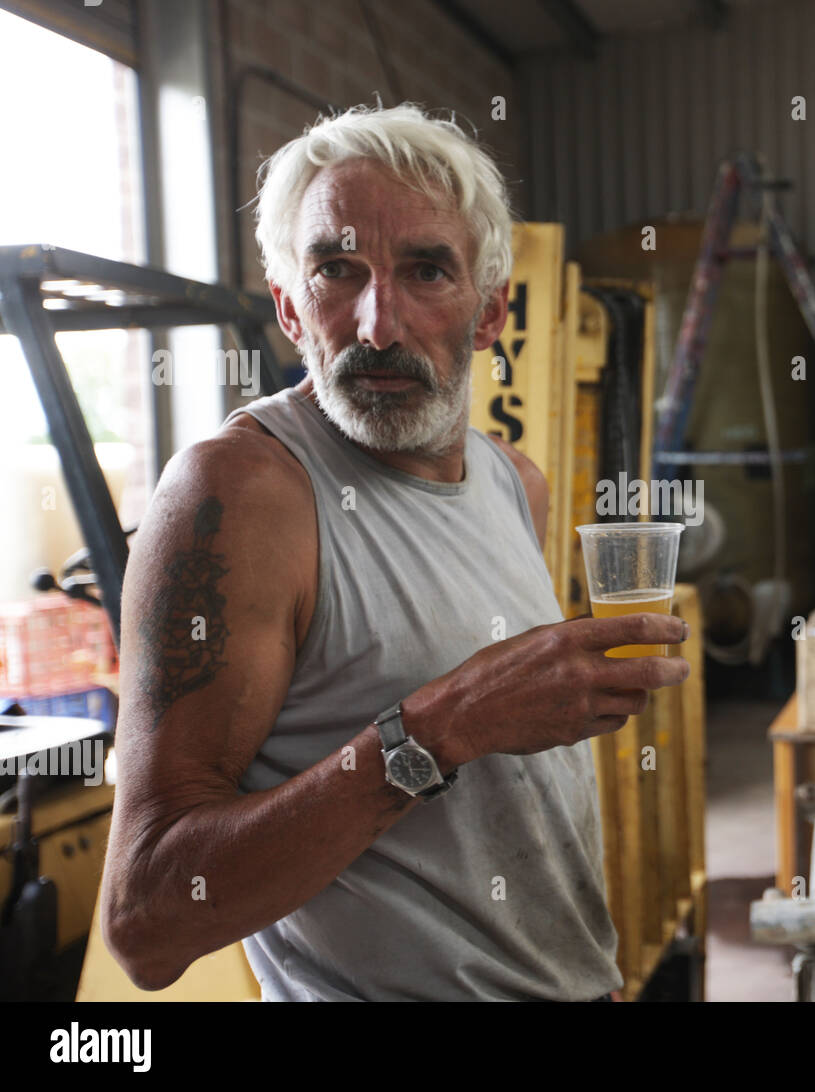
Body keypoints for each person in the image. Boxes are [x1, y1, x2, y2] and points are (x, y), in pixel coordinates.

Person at [99, 102, 689, 1001]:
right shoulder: (241, 495)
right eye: (338, 270)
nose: (378, 324)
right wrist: (446, 725)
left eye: (425, 271)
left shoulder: (513, 483)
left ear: (490, 313)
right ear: (292, 309)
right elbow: (147, 920)